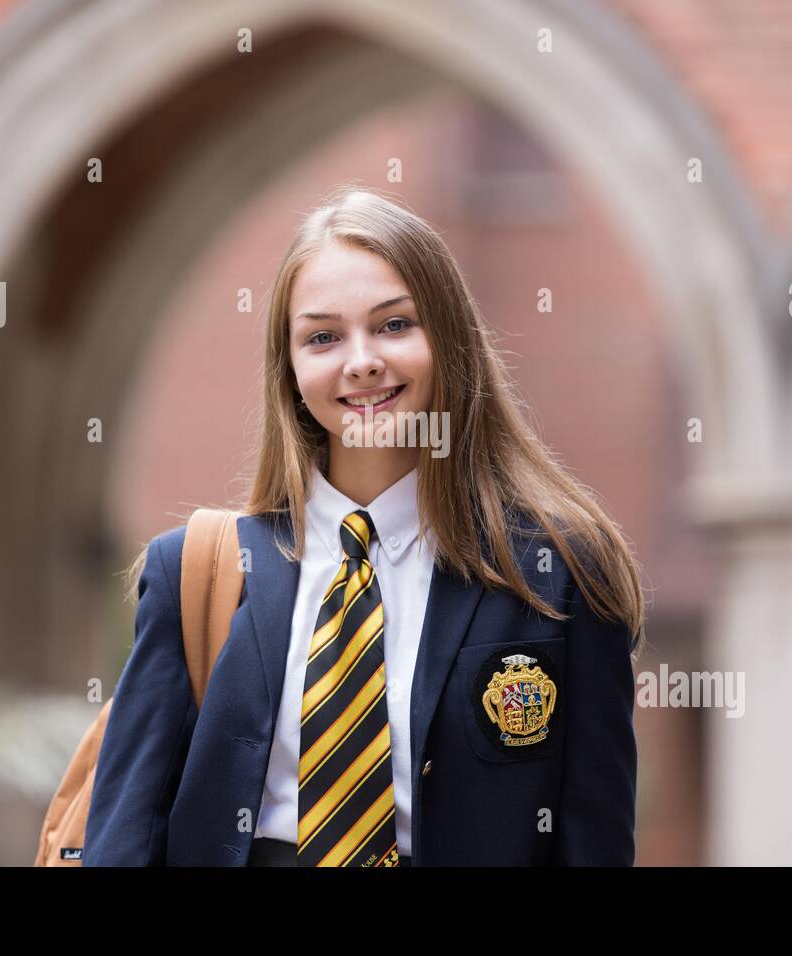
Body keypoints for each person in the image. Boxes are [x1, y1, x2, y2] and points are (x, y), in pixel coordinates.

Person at [83, 185, 644, 867]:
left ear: (450, 340)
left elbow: (595, 841)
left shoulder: (559, 574)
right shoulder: (193, 575)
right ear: (289, 371)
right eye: (322, 337)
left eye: (394, 325)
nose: (361, 361)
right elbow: (124, 838)